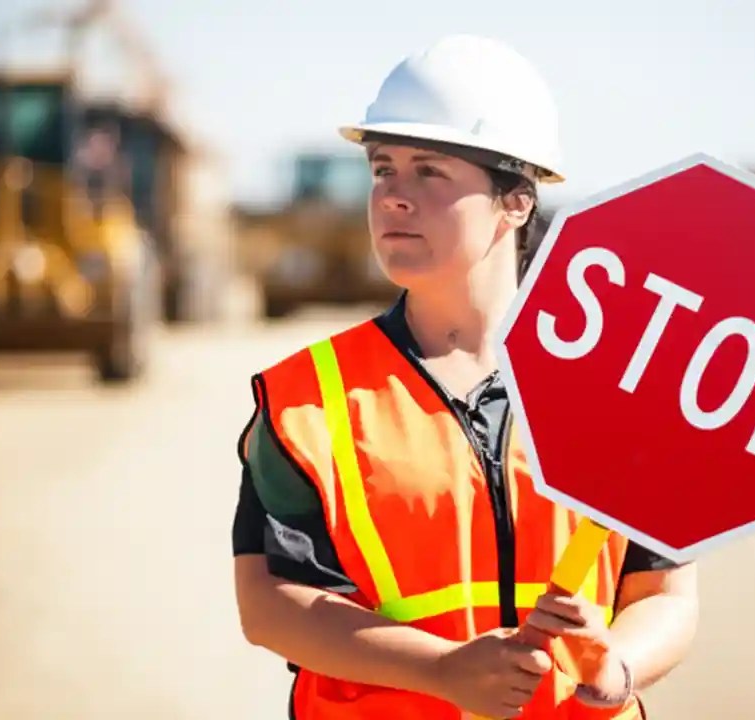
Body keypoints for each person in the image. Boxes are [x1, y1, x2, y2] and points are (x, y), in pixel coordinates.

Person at [232, 35, 700, 719]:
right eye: (382, 169)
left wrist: (618, 667)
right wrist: (444, 670)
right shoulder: (308, 399)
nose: (393, 196)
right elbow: (270, 603)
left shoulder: (620, 387)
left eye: (429, 172)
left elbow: (664, 595)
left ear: (516, 201)